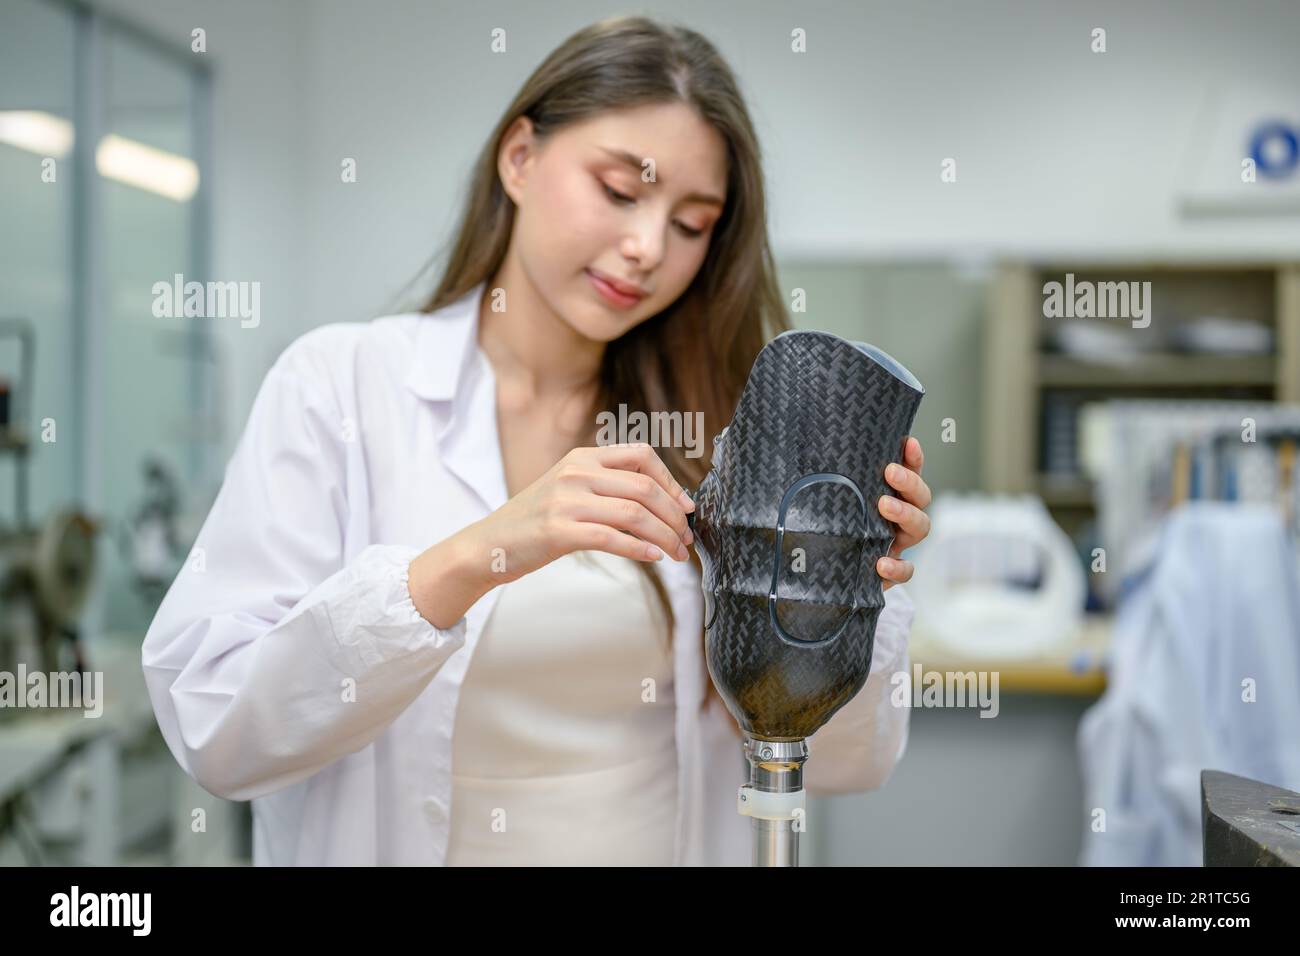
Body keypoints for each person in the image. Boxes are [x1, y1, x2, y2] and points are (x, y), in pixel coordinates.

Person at [141, 15, 933, 866]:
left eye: (692, 224)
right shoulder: (340, 385)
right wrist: (474, 557)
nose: (645, 248)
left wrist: (844, 602)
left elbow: (850, 763)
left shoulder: (713, 436)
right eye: (622, 191)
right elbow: (217, 725)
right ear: (518, 158)